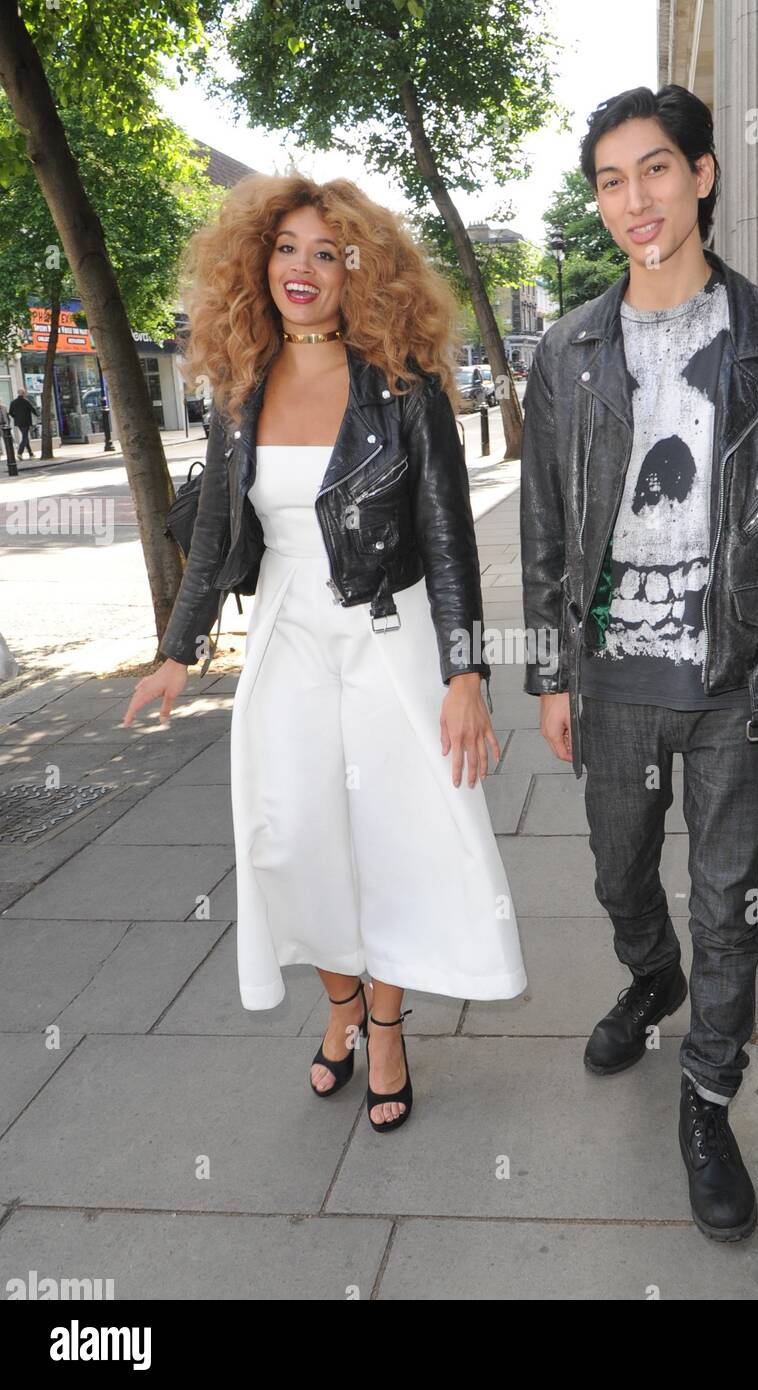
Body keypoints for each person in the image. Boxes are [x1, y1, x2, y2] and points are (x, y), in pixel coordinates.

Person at [520, 83, 758, 1240]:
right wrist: (553, 672)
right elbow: (545, 523)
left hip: (730, 684)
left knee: (729, 905)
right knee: (621, 878)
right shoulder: (567, 350)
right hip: (611, 678)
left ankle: (708, 1098)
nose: (634, 199)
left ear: (702, 175)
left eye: (655, 169)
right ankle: (646, 973)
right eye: (611, 181)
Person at [124, 173, 526, 1132]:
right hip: (286, 642)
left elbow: (449, 540)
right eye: (286, 249)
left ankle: (384, 1026)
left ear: (361, 271)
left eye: (327, 252)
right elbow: (218, 540)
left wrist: (466, 673)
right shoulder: (239, 392)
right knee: (295, 839)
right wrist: (177, 652)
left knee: (396, 839)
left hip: (393, 638)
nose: (302, 268)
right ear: (257, 265)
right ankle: (340, 1009)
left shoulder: (405, 390)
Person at [9, 389, 38, 458]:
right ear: (24, 393)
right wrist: (38, 415)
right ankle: (19, 453)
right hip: (26, 422)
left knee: (25, 437)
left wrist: (16, 417)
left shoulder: (13, 402)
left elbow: (10, 413)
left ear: (18, 393)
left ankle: (31, 454)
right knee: (25, 437)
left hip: (19, 423)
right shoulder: (26, 401)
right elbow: (33, 410)